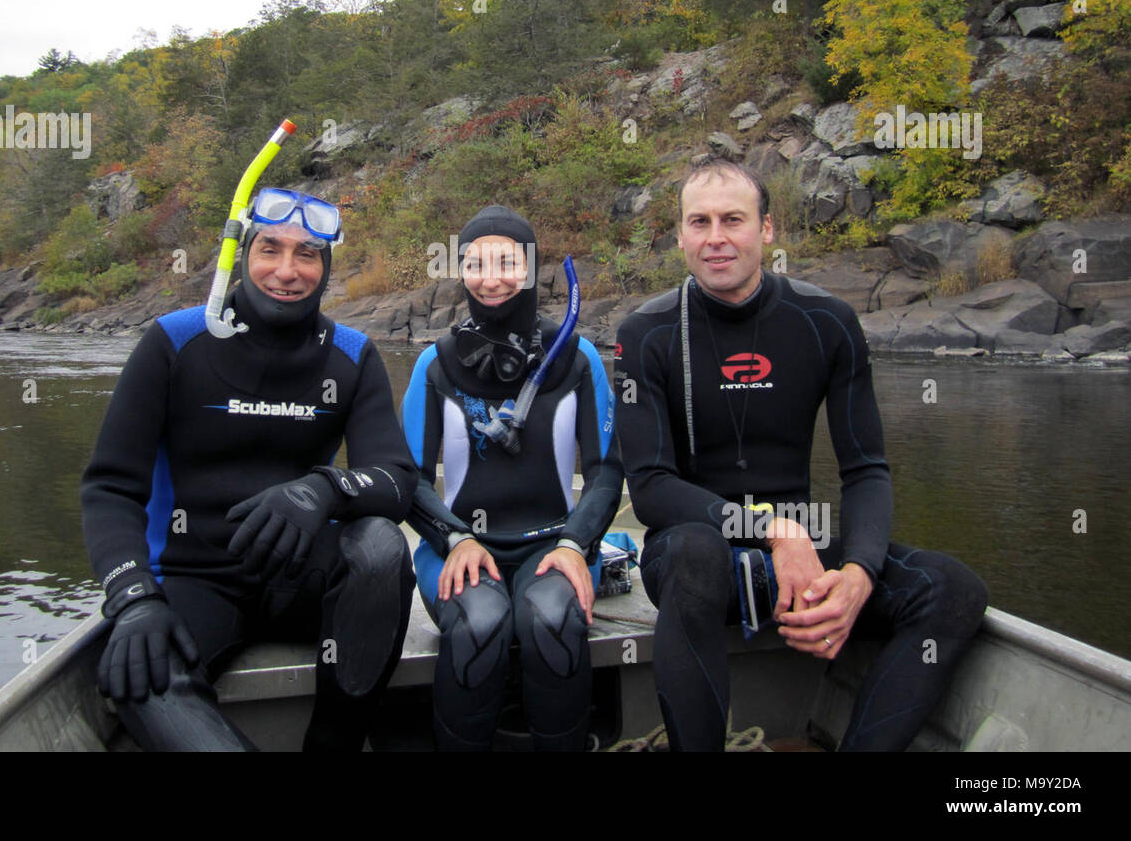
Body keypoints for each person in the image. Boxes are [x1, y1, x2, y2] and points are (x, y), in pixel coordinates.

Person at [613, 158, 987, 752]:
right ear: (680, 235)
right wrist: (773, 533)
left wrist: (859, 574)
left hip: (800, 565)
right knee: (692, 554)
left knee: (952, 588)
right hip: (698, 557)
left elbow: (865, 470)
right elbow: (653, 486)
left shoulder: (826, 323)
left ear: (766, 229)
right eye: (699, 222)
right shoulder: (647, 334)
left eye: (733, 220)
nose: (715, 238)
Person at [80, 187, 417, 751]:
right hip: (196, 578)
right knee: (142, 676)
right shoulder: (173, 343)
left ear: (325, 267)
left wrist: (324, 489)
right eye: (270, 249)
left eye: (307, 254)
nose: (287, 271)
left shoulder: (352, 355)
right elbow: (111, 487)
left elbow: (396, 481)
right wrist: (133, 594)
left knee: (381, 548)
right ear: (241, 255)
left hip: (304, 577)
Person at [400, 206, 623, 751]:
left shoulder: (577, 357)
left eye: (508, 261)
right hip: (454, 546)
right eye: (477, 263)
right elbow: (406, 477)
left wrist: (576, 543)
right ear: (461, 270)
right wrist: (455, 537)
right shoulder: (434, 365)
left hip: (555, 543)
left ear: (530, 266)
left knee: (551, 620)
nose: (492, 277)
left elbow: (606, 469)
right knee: (481, 624)